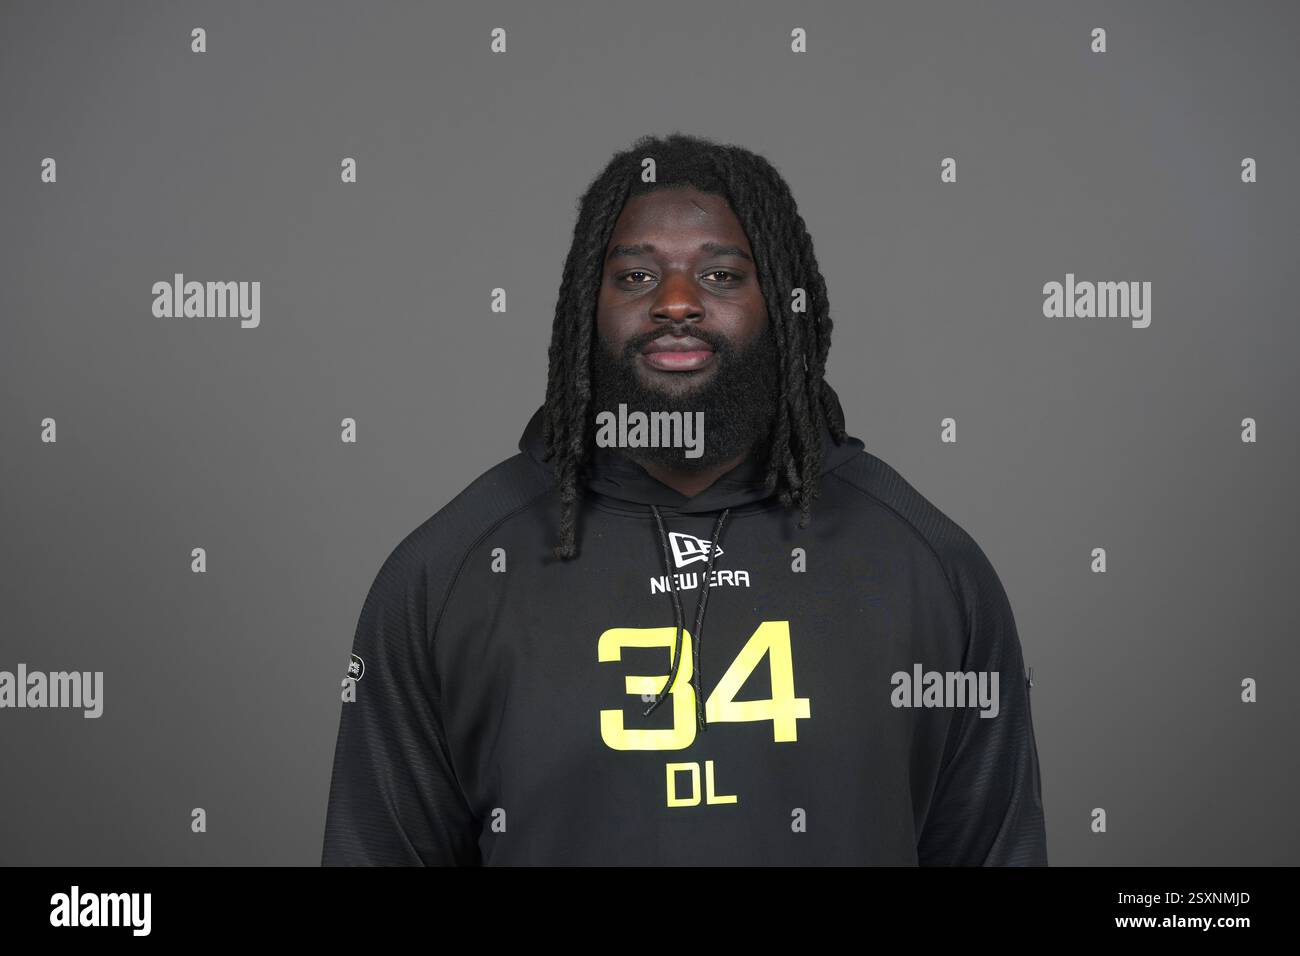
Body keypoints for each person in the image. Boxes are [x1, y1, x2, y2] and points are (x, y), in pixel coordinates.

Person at [321, 132, 1048, 866]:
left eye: (724, 276)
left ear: (782, 305)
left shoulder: (929, 566)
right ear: (585, 306)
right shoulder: (447, 574)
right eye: (636, 277)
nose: (675, 303)